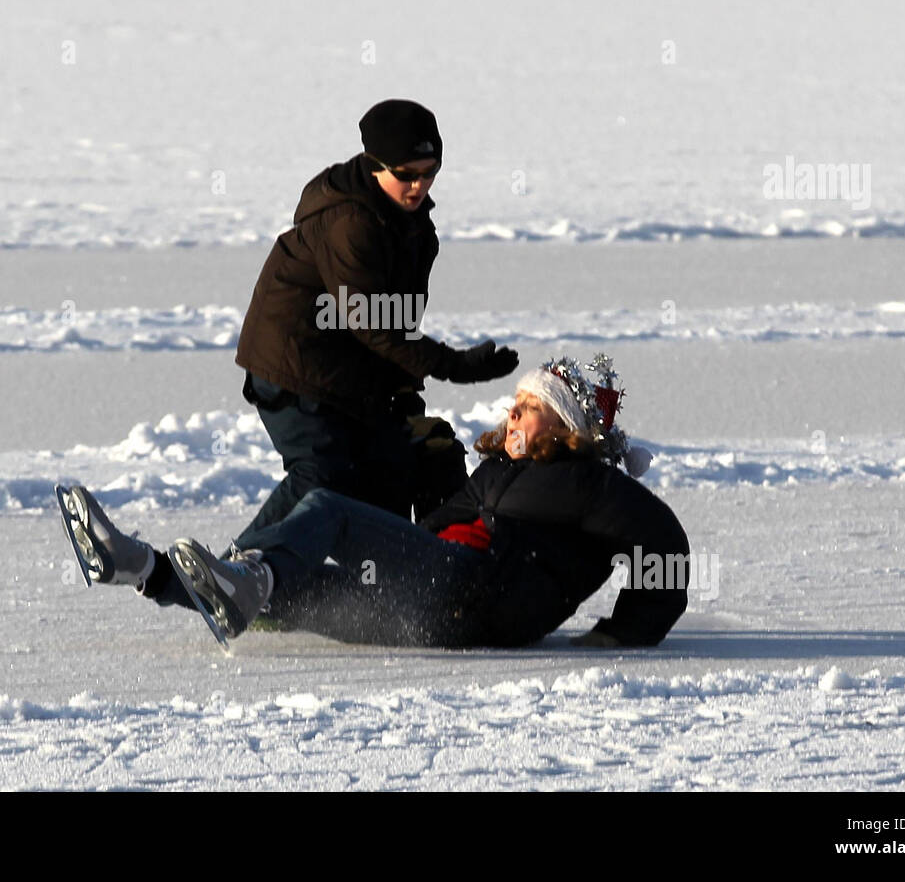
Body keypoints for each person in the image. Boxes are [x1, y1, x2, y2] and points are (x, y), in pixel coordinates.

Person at [58, 355, 687, 649]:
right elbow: (439, 523)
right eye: (515, 404)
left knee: (328, 508)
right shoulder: (496, 472)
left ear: (564, 426)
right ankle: (140, 567)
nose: (512, 413)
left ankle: (248, 579)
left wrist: (628, 631)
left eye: (529, 407)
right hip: (429, 606)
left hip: (484, 596)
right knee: (290, 590)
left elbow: (665, 544)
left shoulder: (591, 484)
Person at [233, 98, 518, 532]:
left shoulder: (414, 228)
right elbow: (373, 326)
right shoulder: (351, 223)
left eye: (430, 172)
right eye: (407, 174)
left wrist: (401, 395)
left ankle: (401, 585)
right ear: (375, 164)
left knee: (417, 456)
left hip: (348, 374)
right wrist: (456, 367)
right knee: (324, 474)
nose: (419, 186)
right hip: (295, 367)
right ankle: (242, 572)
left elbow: (398, 321)